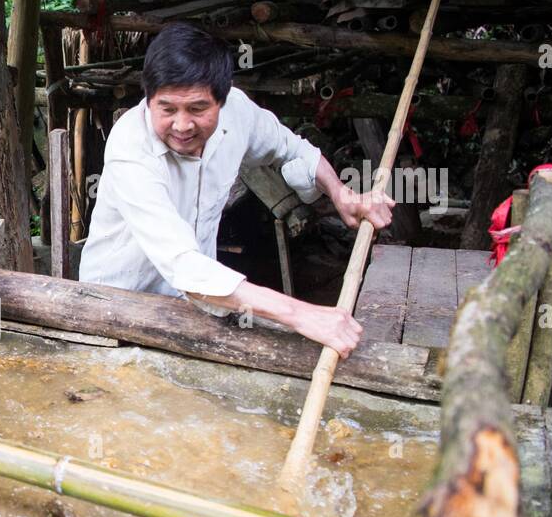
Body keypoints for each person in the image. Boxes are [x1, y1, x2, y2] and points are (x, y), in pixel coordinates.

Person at [78, 21, 395, 358]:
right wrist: (302, 314)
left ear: (222, 98)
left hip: (191, 307)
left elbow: (293, 148)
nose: (182, 125)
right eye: (167, 109)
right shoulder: (131, 147)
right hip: (112, 310)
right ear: (148, 98)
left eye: (198, 109)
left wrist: (341, 193)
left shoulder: (238, 113)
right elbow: (184, 265)